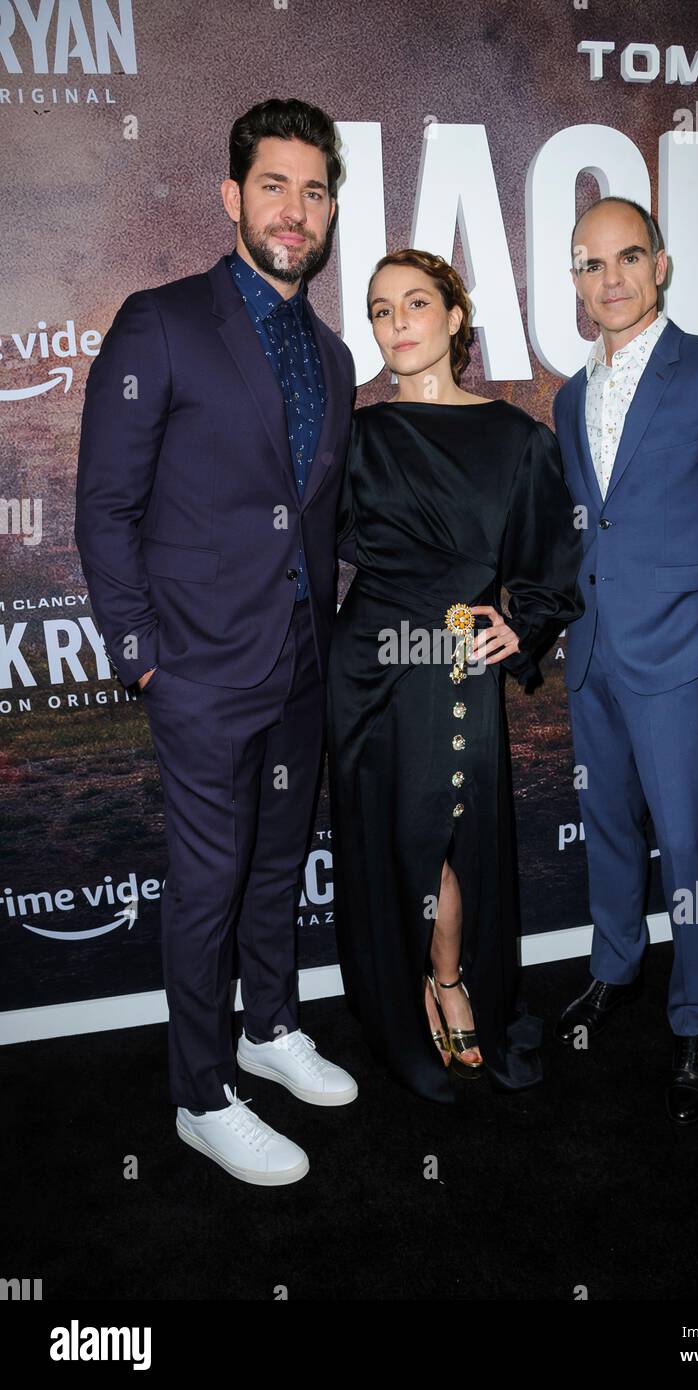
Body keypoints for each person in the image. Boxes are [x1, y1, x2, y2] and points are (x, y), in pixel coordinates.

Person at [75, 98, 359, 1185]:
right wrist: (141, 650)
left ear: (331, 209)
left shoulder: (331, 357)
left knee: (278, 862)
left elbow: (313, 516)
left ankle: (269, 1025)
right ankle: (201, 1093)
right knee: (206, 883)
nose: (295, 210)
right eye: (275, 186)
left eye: (315, 189)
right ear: (232, 196)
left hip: (298, 662)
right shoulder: (163, 321)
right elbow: (105, 505)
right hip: (196, 665)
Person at [328, 249, 584, 1104]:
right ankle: (408, 999)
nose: (395, 323)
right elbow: (319, 542)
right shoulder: (356, 436)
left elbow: (550, 567)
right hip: (367, 660)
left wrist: (525, 622)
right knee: (385, 837)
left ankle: (450, 979)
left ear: (454, 318)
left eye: (413, 304)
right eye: (377, 310)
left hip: (453, 655)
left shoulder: (518, 439)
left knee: (449, 830)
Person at [553, 196, 698, 1123]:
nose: (608, 279)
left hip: (677, 662)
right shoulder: (570, 395)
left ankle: (697, 1016)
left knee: (689, 846)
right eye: (588, 263)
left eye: (626, 258)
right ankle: (614, 970)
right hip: (593, 658)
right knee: (607, 830)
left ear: (659, 266)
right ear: (574, 281)